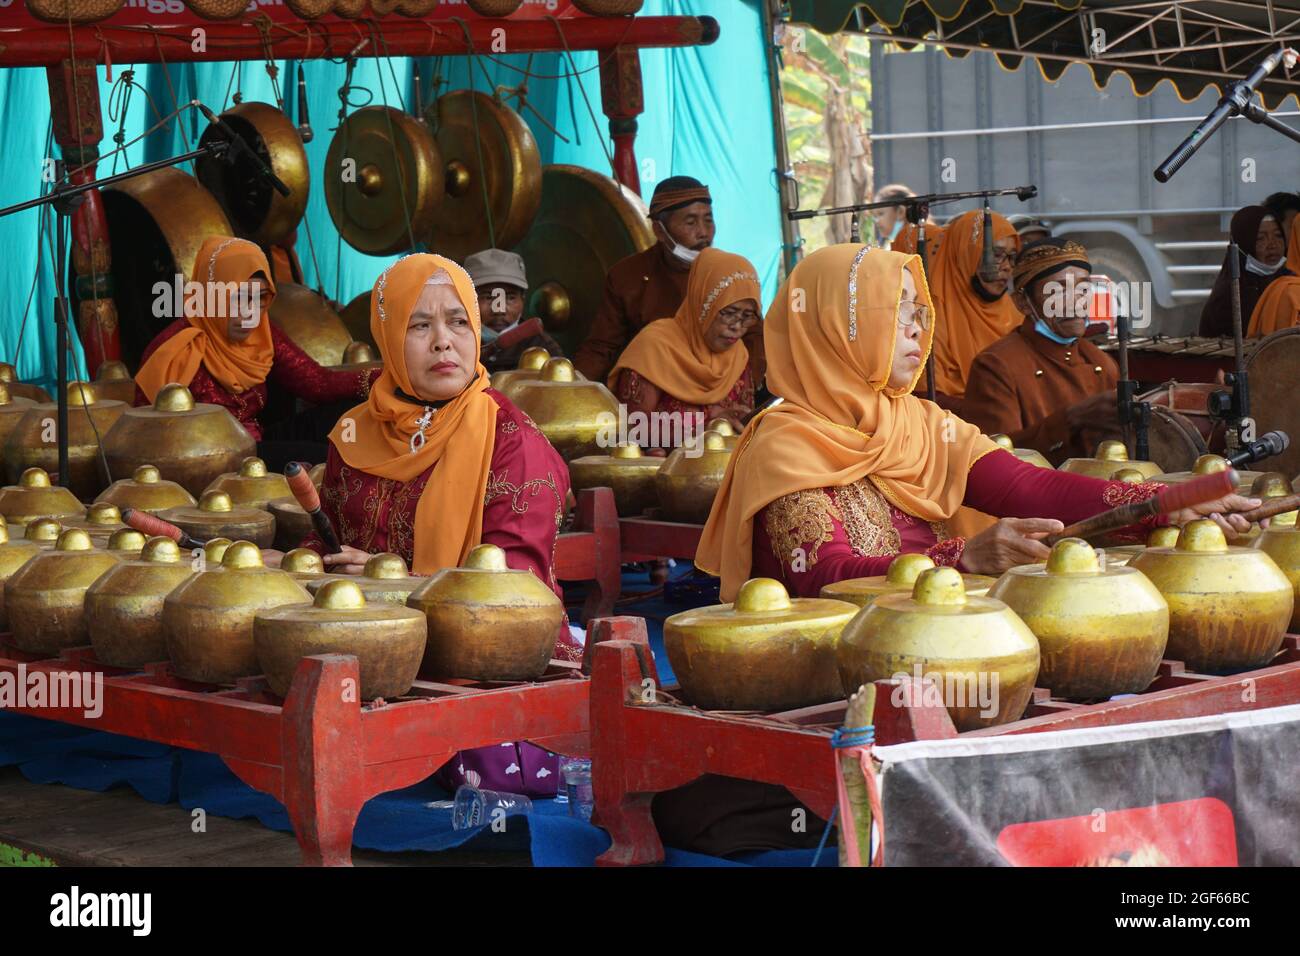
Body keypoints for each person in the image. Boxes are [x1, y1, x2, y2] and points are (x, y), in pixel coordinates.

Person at [695, 244, 1257, 603]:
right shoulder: (786, 441)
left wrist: (1163, 502)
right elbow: (824, 577)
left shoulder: (918, 420)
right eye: (897, 315)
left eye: (920, 314)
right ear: (836, 329)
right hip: (847, 657)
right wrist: (960, 557)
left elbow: (1029, 485)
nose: (918, 331)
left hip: (944, 632)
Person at [299, 253, 579, 797]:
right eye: (418, 325)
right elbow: (327, 534)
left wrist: (397, 580)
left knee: (478, 758)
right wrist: (302, 560)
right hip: (362, 643)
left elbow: (513, 595)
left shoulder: (512, 443)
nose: (443, 342)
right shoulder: (354, 434)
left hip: (480, 656)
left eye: (457, 322)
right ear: (386, 337)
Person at [134, 237, 379, 449]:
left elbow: (318, 383)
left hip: (257, 445)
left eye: (259, 299)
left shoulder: (263, 333)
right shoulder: (174, 349)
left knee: (351, 416)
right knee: (320, 457)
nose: (249, 313)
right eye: (236, 298)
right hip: (211, 463)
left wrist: (389, 380)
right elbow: (148, 437)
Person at [573, 176, 765, 386]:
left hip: (722, 386)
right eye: (690, 222)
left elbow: (755, 339)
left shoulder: (729, 272)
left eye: (708, 220)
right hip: (656, 387)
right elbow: (601, 348)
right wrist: (573, 387)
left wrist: (744, 387)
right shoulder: (627, 276)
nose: (703, 232)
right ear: (659, 231)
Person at [963, 238, 1121, 464]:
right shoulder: (996, 365)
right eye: (1057, 291)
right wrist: (1069, 420)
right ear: (1023, 303)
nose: (1076, 301)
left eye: (1083, 288)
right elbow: (992, 459)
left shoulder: (1102, 362)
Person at [607, 248, 760, 447]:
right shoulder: (655, 347)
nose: (737, 326)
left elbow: (740, 425)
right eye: (729, 313)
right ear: (702, 303)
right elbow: (632, 430)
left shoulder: (738, 355)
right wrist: (704, 428)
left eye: (747, 316)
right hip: (659, 471)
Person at [921, 209, 1022, 413]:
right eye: (995, 255)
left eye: (1011, 257)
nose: (1006, 267)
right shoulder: (930, 317)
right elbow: (925, 398)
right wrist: (986, 411)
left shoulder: (1015, 313)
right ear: (964, 254)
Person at [463, 248, 564, 373]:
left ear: (523, 299)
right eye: (488, 297)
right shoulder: (452, 342)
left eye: (510, 298)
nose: (499, 310)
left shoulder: (543, 346)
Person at [1199, 205, 1294, 337]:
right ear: (1244, 243)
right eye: (1261, 238)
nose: (1273, 244)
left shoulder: (1291, 279)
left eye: (1278, 235)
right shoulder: (1229, 296)